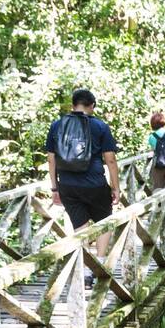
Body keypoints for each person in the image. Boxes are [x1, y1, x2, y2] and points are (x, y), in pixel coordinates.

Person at [45, 88, 121, 256]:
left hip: (67, 184)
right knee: (104, 221)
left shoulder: (57, 126)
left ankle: (85, 267)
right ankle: (99, 262)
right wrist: (115, 187)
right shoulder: (100, 126)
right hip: (94, 183)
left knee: (80, 225)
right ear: (92, 105)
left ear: (73, 106)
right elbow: (110, 160)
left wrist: (55, 188)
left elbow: (51, 159)